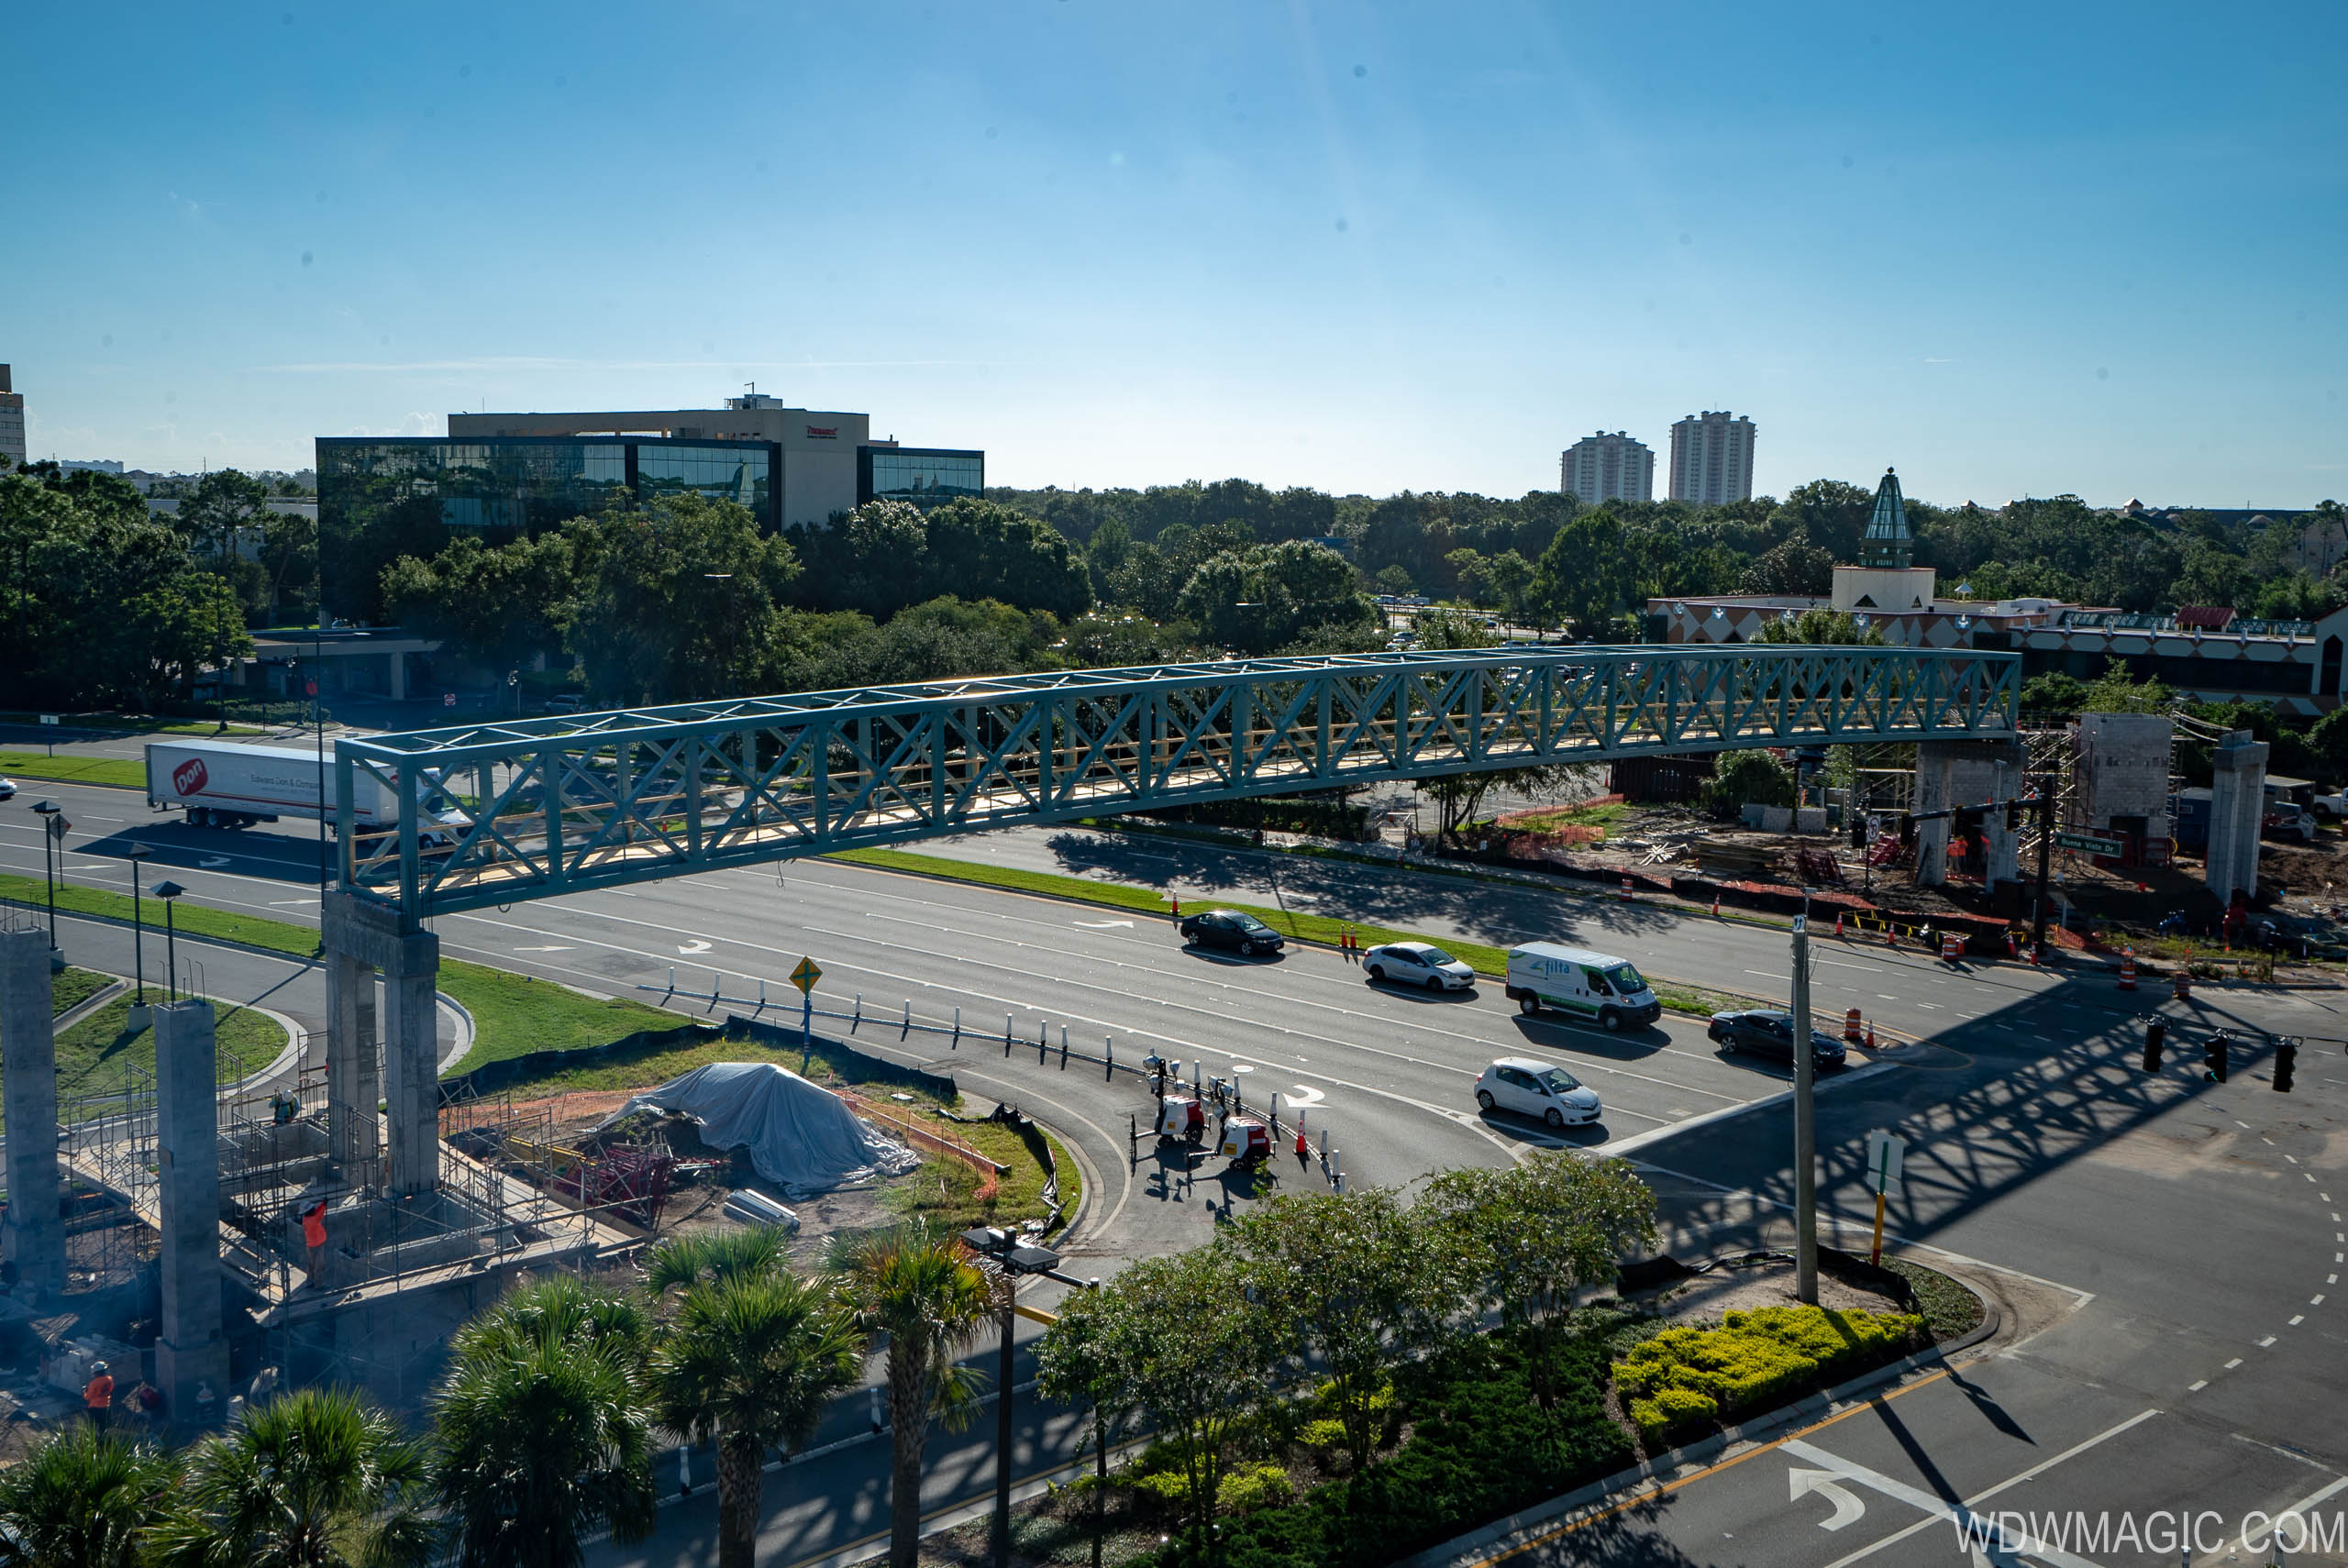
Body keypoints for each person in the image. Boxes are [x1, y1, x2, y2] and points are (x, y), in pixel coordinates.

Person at [301, 1198, 328, 1286]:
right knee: (319, 1265)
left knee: (311, 1264)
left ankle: (309, 1281)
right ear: (309, 1211)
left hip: (311, 1245)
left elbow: (316, 1212)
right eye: (312, 1209)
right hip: (317, 1246)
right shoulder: (313, 1220)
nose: (314, 1210)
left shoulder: (306, 1219)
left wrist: (322, 1204)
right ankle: (318, 1284)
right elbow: (320, 1214)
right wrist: (324, 1205)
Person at [83, 1360, 114, 1431]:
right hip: (106, 1406)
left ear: (96, 1372)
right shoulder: (109, 1379)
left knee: (92, 1427)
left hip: (95, 1407)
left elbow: (88, 1397)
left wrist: (85, 1392)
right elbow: (109, 1390)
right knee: (103, 1426)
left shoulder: (94, 1383)